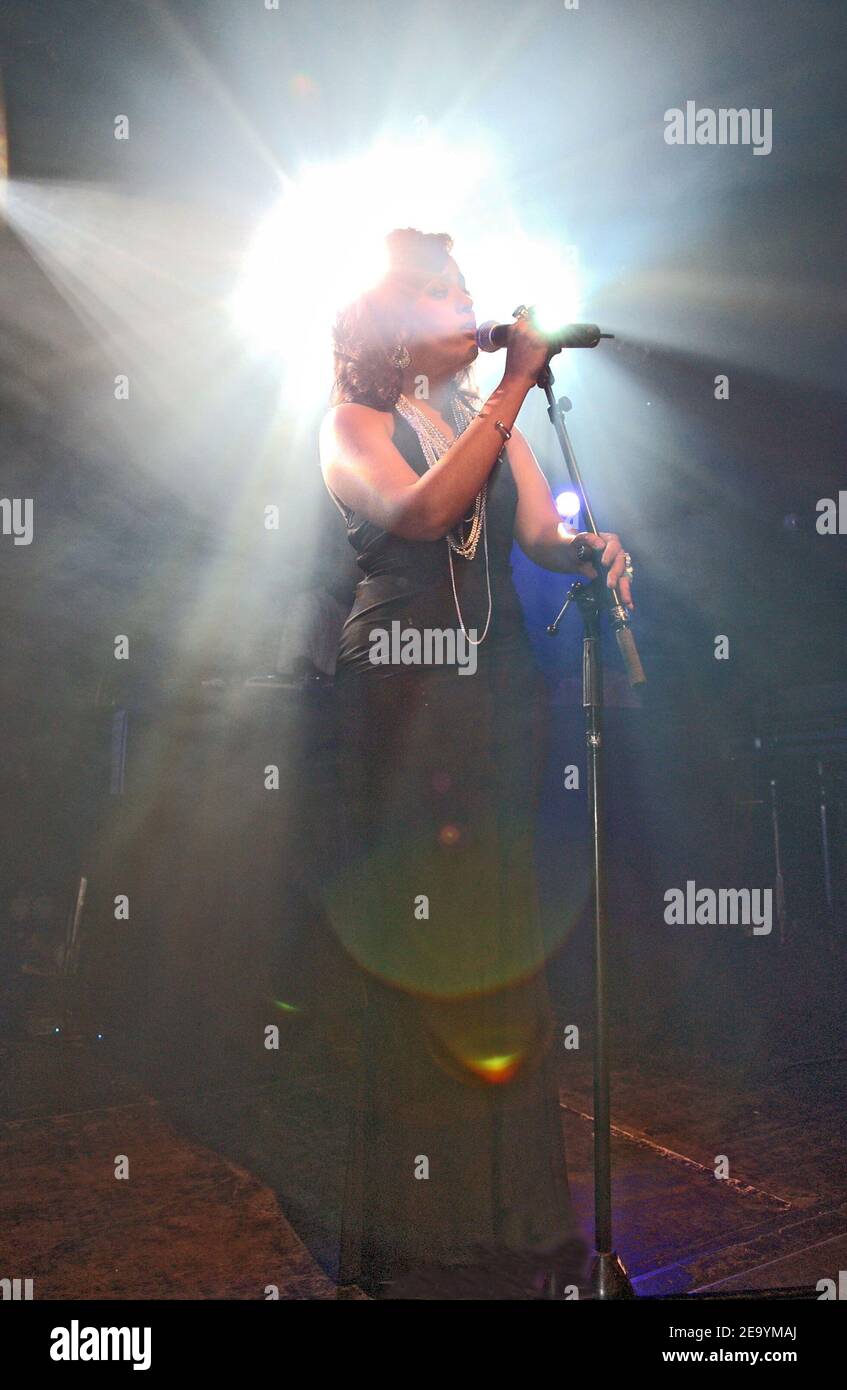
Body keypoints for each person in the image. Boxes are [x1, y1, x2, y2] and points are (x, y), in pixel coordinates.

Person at [318, 228, 633, 1299]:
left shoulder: (491, 418)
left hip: (497, 697)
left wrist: (588, 549)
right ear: (397, 322)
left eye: (466, 288)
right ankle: (420, 1236)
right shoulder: (351, 423)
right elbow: (420, 511)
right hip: (401, 698)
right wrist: (509, 388)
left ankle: (511, 1223)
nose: (466, 303)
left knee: (498, 952)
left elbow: (536, 531)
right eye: (440, 292)